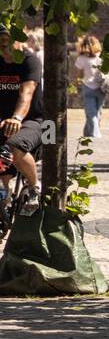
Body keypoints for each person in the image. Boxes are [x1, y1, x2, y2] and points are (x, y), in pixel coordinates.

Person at [0, 29, 43, 210]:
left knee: (16, 145)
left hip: (32, 121)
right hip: (3, 121)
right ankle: (5, 192)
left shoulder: (29, 61)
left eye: (6, 40)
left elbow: (26, 94)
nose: (2, 44)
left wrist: (16, 118)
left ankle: (34, 187)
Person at [74, 34, 108, 139]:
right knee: (96, 113)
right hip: (101, 88)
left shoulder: (81, 59)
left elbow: (79, 75)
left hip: (88, 87)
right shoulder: (101, 58)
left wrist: (76, 85)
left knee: (91, 113)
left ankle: (94, 135)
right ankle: (90, 134)